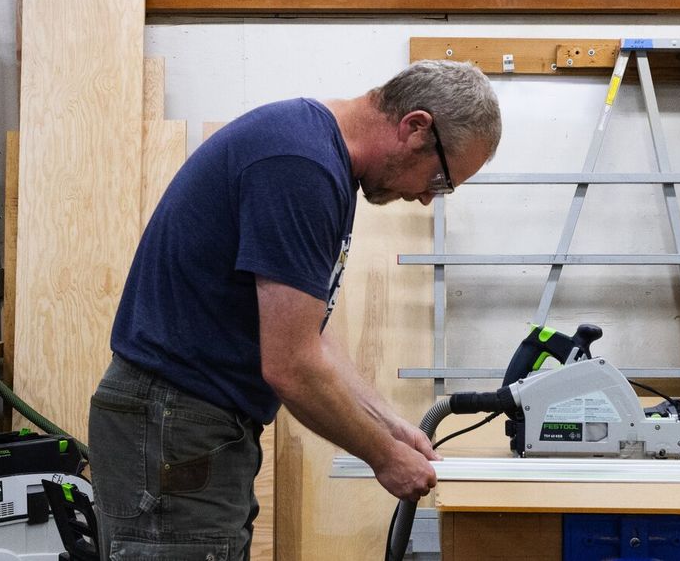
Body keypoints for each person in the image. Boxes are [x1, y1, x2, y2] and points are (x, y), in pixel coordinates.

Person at [88, 60, 503, 559]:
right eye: (439, 181)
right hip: (174, 423)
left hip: (192, 423)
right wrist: (383, 457)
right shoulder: (299, 165)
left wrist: (390, 424)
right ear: (415, 127)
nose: (425, 200)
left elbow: (312, 335)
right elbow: (290, 365)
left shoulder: (321, 161)